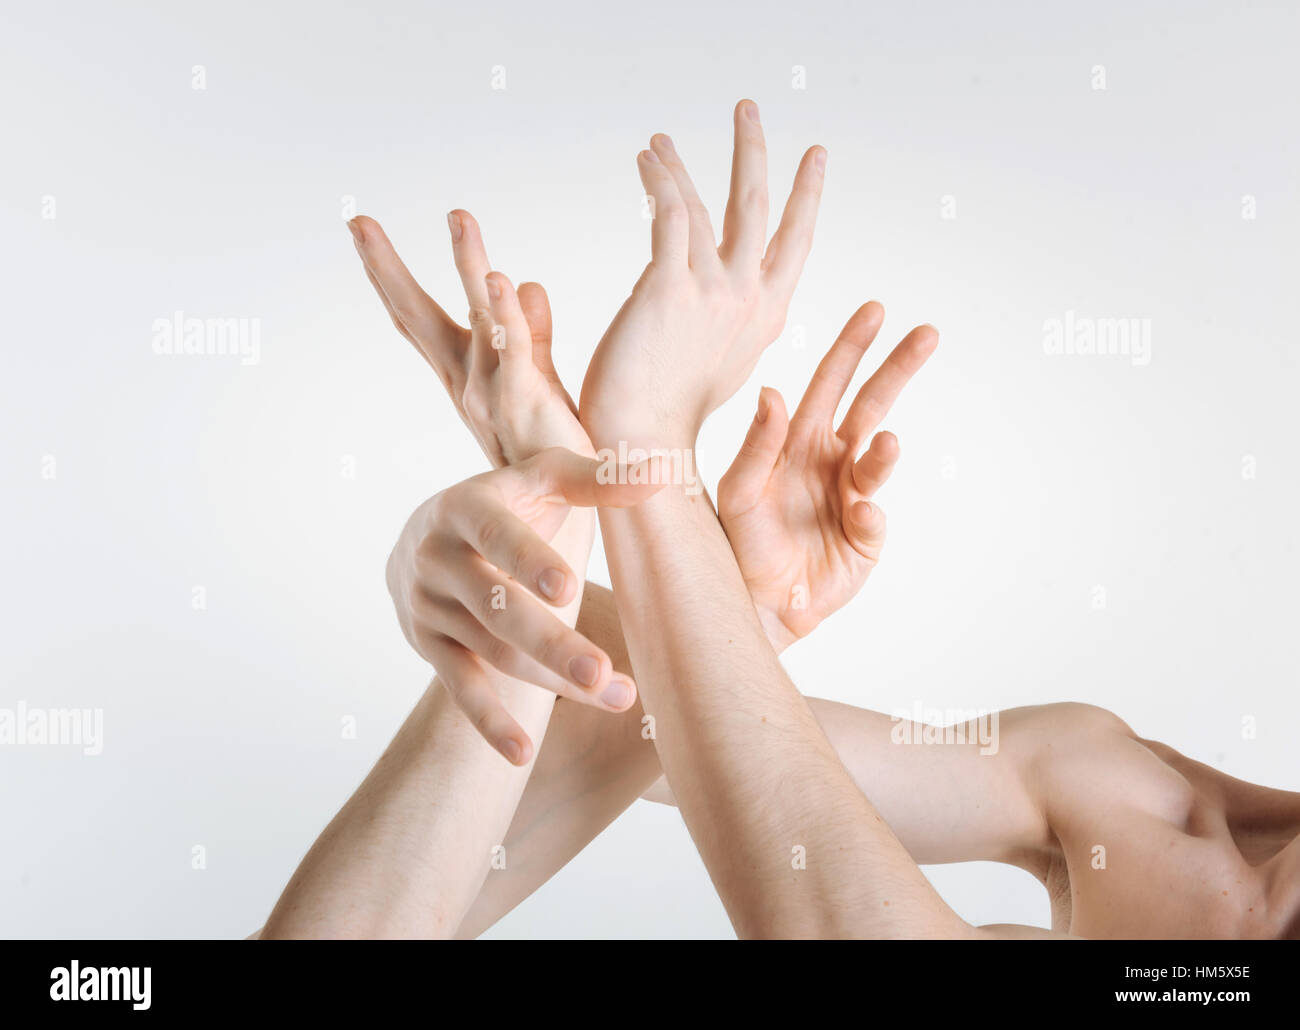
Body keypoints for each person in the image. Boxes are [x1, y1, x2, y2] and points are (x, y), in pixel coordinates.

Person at [262, 101, 1300, 938]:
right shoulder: (1115, 780)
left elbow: (821, 906)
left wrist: (649, 447)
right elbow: (690, 730)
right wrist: (577, 519)